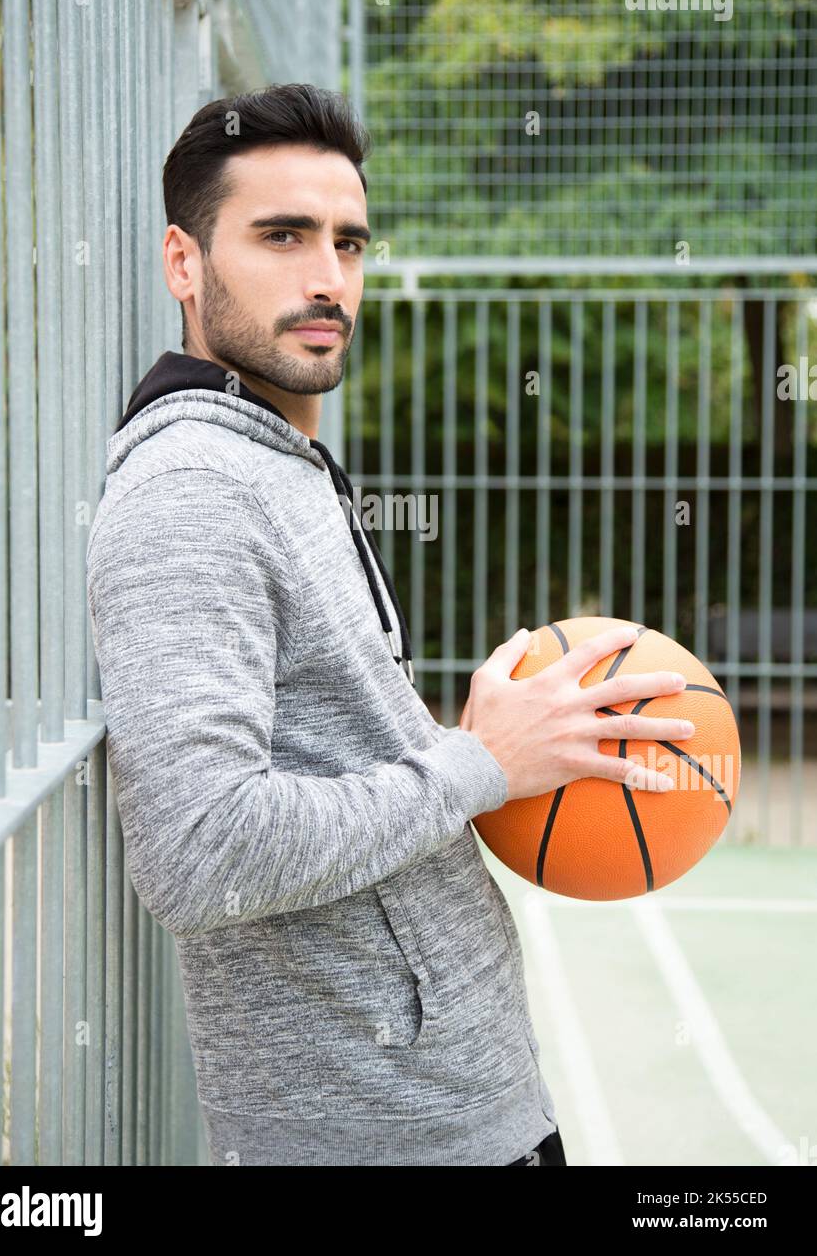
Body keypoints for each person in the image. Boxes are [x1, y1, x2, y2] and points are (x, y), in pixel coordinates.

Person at [86, 83, 692, 1166]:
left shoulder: (282, 459)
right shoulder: (189, 490)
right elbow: (196, 851)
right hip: (371, 1136)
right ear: (184, 262)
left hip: (459, 1103)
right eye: (281, 236)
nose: (327, 278)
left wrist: (453, 740)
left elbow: (322, 736)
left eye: (347, 242)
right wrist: (472, 765)